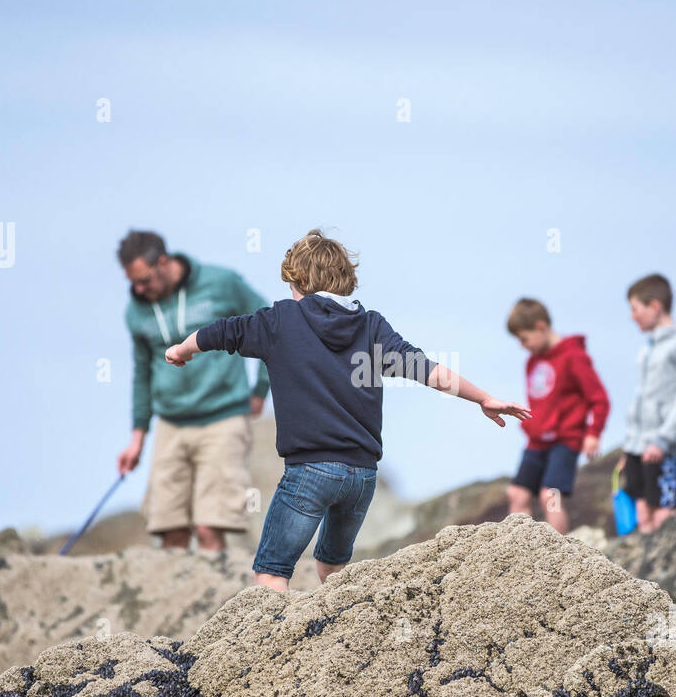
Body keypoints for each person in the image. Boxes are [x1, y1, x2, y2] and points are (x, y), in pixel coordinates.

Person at [164, 229, 531, 591]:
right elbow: (426, 370)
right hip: (362, 476)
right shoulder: (371, 326)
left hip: (310, 471)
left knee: (272, 573)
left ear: (302, 281)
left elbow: (223, 331)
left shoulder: (280, 320)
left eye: (291, 285)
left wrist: (183, 349)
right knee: (334, 568)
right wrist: (482, 397)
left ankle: (276, 647)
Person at [115, 230, 270, 559]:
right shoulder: (136, 311)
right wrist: (136, 439)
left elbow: (271, 325)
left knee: (208, 527)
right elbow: (141, 373)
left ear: (163, 262)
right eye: (133, 284)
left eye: (144, 280)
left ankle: (213, 605)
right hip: (170, 424)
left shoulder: (222, 283)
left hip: (223, 419)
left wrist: (261, 388)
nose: (139, 290)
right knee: (170, 529)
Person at [504, 298, 610, 534]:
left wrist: (593, 433)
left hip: (565, 440)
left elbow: (599, 399)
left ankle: (557, 557)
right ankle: (519, 549)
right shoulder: (532, 362)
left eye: (524, 338)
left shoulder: (574, 357)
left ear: (541, 327)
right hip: (537, 441)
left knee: (549, 496)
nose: (522, 345)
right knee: (517, 494)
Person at [616, 273, 676, 534]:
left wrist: (663, 439)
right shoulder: (649, 347)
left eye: (635, 309)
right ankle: (644, 574)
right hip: (639, 445)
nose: (632, 316)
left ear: (655, 306)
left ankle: (665, 573)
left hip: (666, 447)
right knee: (642, 512)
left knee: (664, 516)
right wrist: (630, 446)